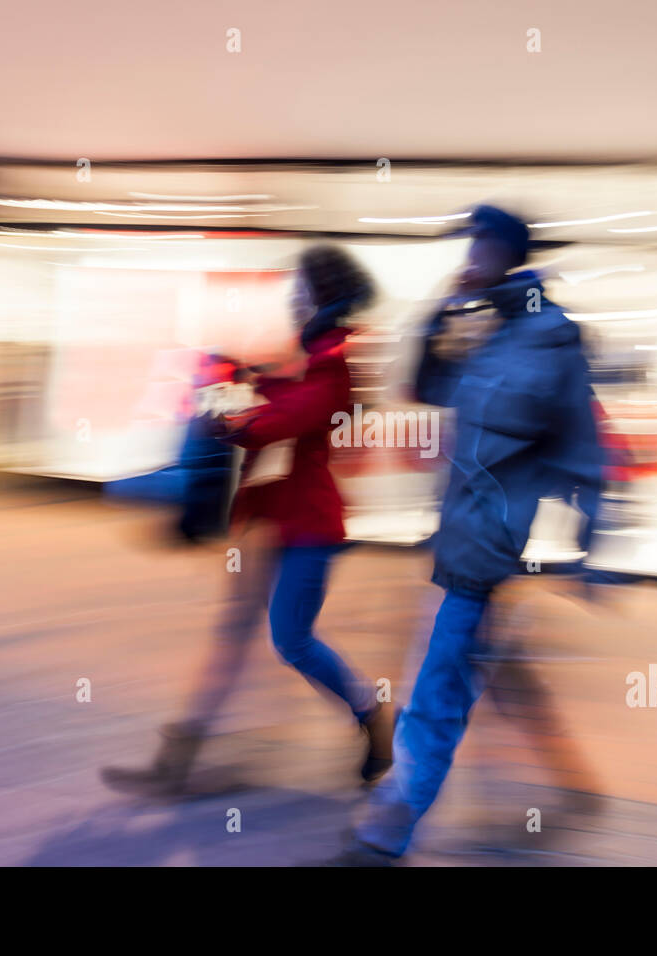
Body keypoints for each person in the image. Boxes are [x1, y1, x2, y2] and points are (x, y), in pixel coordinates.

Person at [331, 204, 603, 863]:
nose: (467, 260)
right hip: (458, 537)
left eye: (477, 247)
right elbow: (425, 386)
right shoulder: (488, 330)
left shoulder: (552, 341)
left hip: (487, 546)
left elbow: (582, 453)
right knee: (475, 668)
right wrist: (441, 313)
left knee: (437, 690)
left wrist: (592, 552)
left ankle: (384, 832)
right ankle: (566, 782)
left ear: (506, 252)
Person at [102, 245, 393, 797]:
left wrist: (234, 418)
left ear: (323, 295)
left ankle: (373, 714)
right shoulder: (305, 354)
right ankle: (176, 760)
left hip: (309, 524)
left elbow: (290, 416)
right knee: (231, 637)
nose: (292, 299)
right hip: (267, 518)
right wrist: (237, 376)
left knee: (293, 639)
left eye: (301, 290)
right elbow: (271, 397)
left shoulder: (335, 362)